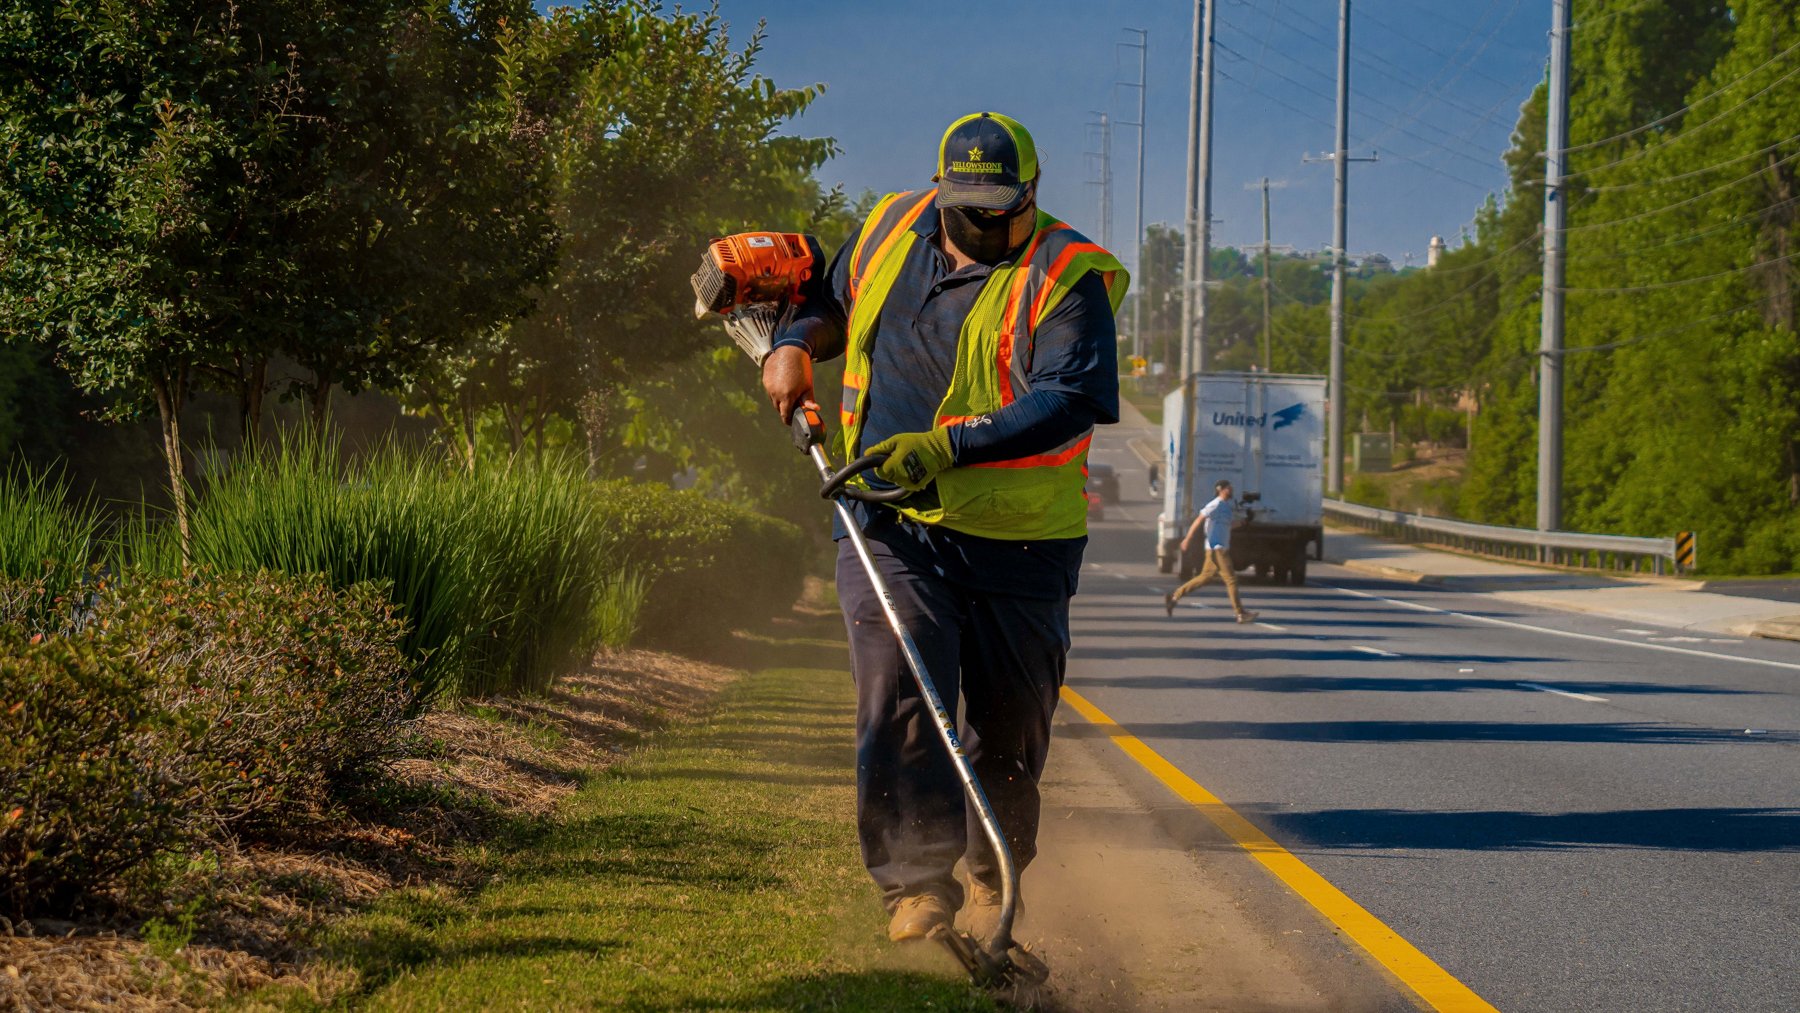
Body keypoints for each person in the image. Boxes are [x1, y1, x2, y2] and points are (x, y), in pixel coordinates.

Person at [760, 112, 1128, 944]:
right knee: (898, 685)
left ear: (1031, 195)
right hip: (889, 521)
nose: (991, 223)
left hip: (1021, 542)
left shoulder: (1068, 276)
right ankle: (916, 882)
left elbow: (1070, 398)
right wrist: (791, 344)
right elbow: (829, 298)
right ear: (941, 192)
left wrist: (945, 445)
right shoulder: (891, 226)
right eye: (973, 208)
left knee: (1009, 723)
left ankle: (997, 875)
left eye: (1007, 207)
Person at [1164, 479, 1258, 623]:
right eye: (1228, 488)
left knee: (1205, 577)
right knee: (1231, 580)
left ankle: (1174, 597)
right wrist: (1187, 539)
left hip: (1216, 549)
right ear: (1221, 490)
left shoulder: (1225, 506)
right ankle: (1240, 614)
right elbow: (1199, 519)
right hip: (1217, 549)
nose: (1231, 490)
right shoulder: (1215, 504)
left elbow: (1228, 526)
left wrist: (1246, 522)